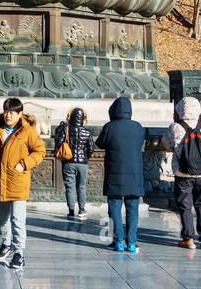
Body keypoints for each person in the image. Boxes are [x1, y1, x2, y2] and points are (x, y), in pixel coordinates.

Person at [0, 96, 46, 272]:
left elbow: (40, 151)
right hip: (0, 181)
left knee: (18, 220)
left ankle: (19, 253)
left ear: (20, 114)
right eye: (6, 111)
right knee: (2, 218)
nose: (8, 115)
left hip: (17, 181)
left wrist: (24, 164)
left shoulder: (27, 131)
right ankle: (6, 244)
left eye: (12, 112)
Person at [96, 95, 145, 252]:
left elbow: (100, 143)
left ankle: (118, 241)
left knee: (115, 209)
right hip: (135, 176)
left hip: (114, 175)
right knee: (133, 209)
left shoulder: (110, 127)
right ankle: (131, 243)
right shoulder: (138, 127)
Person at [167, 96, 201, 250]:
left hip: (182, 172)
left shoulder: (175, 127)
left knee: (185, 206)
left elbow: (167, 144)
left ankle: (188, 238)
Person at [53, 106, 95, 220]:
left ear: (70, 117)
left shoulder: (66, 129)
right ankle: (82, 209)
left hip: (68, 162)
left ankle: (71, 211)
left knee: (70, 187)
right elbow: (91, 148)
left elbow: (58, 143)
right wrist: (86, 157)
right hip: (82, 163)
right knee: (81, 187)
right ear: (83, 119)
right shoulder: (87, 132)